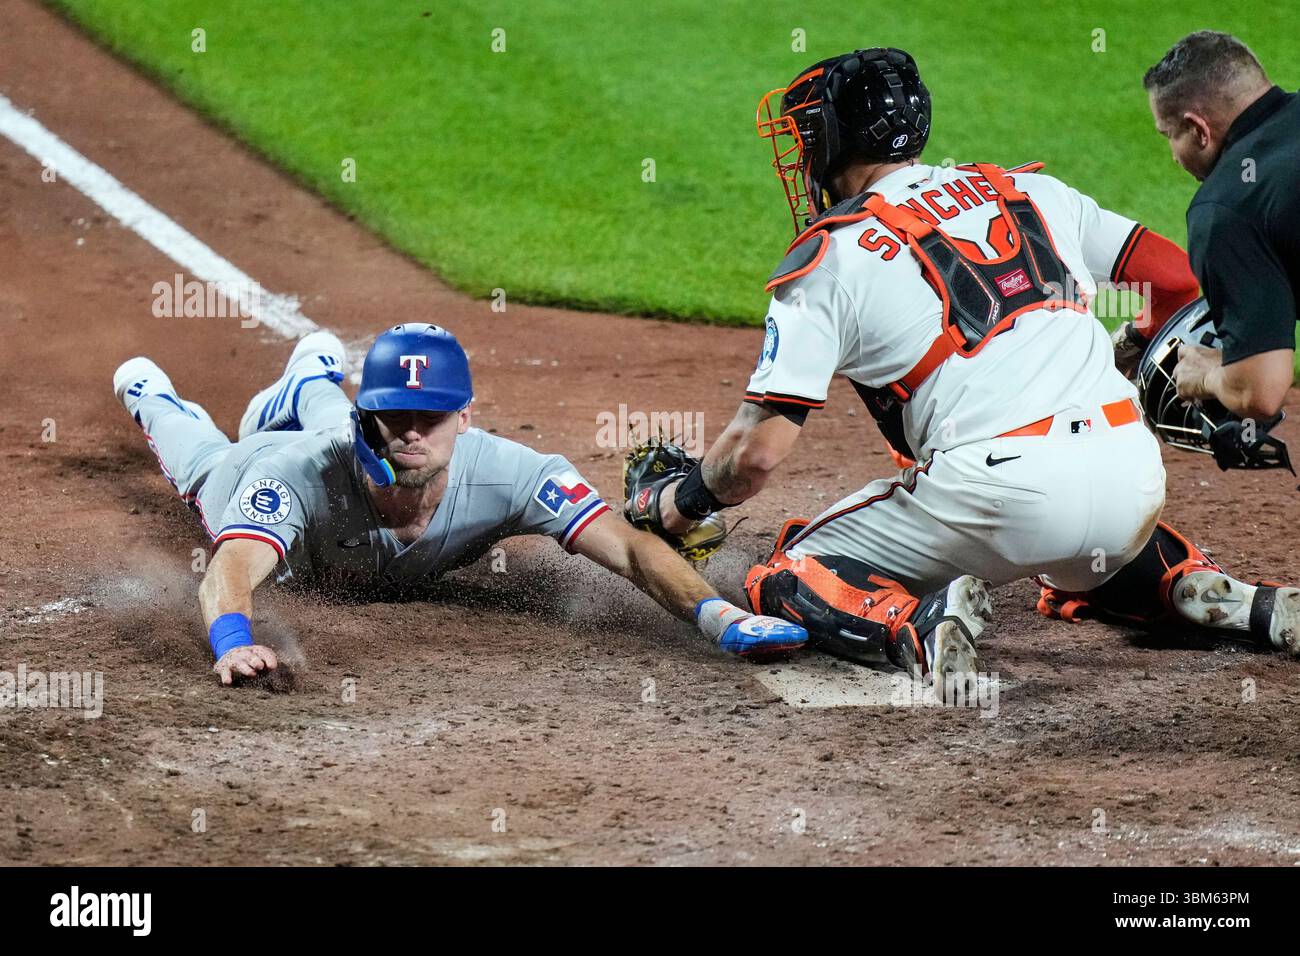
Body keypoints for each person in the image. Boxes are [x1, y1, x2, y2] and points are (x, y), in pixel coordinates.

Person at [628, 48, 1300, 690]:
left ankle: (917, 622)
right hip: (1130, 472)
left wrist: (681, 502)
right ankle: (1224, 598)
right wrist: (1136, 347)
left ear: (834, 141)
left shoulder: (826, 260)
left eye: (811, 134)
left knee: (790, 569)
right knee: (1086, 561)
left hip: (995, 496)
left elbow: (755, 456)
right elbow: (1177, 280)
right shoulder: (1030, 189)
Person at [112, 324, 806, 685]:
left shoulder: (511, 472)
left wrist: (717, 616)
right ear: (372, 414)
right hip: (259, 462)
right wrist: (233, 642)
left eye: (433, 414)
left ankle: (309, 377)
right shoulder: (288, 479)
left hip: (343, 434)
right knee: (202, 461)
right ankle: (154, 393)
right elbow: (231, 569)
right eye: (396, 414)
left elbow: (625, 544)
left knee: (337, 423)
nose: (414, 429)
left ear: (466, 415)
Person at [1135, 31, 1299, 420]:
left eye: (1169, 135)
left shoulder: (1225, 209)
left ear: (1198, 129)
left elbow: (1260, 392)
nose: (1174, 157)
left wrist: (1206, 374)